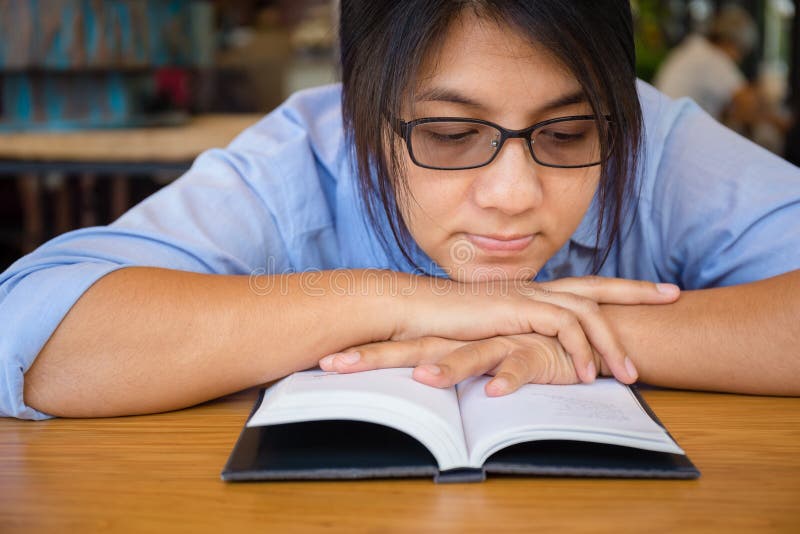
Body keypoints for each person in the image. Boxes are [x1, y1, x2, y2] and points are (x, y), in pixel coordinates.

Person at [1, 1, 799, 420]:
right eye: (451, 135)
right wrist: (394, 299)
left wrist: (571, 332)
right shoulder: (297, 158)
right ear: (359, 115)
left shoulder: (652, 137)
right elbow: (34, 334)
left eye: (566, 132)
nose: (515, 193)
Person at [653, 5, 758, 122]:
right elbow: (749, 104)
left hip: (663, 125)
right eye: (741, 51)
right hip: (677, 132)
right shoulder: (714, 58)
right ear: (730, 42)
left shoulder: (697, 48)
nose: (739, 59)